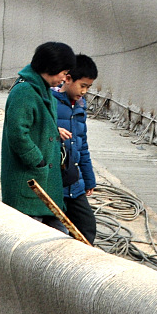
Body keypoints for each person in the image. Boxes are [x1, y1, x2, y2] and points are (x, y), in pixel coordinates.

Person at [1, 41, 75, 232]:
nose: (65, 78)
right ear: (51, 67)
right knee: (29, 237)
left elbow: (35, 122)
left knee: (59, 236)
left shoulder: (42, 90)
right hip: (29, 180)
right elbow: (17, 133)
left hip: (43, 181)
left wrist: (51, 130)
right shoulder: (25, 91)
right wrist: (37, 160)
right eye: (64, 72)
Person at [54, 54, 98, 244]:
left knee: (87, 227)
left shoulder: (80, 107)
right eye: (83, 86)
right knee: (57, 230)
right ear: (68, 78)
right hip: (55, 181)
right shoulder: (50, 102)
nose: (85, 92)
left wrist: (88, 179)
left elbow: (83, 144)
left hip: (75, 182)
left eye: (88, 87)